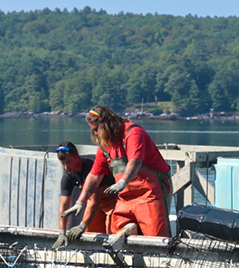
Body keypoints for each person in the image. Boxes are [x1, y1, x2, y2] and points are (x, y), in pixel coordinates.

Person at [57, 106, 171, 247]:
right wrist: (80, 202)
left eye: (96, 128)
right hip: (124, 197)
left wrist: (123, 181)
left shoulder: (133, 133)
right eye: (93, 129)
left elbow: (135, 161)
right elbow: (94, 175)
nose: (95, 133)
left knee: (155, 236)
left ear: (106, 124)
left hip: (149, 193)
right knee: (115, 234)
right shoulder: (106, 146)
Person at [55, 142, 107, 233]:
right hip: (95, 204)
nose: (66, 167)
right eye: (63, 164)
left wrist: (82, 226)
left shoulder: (91, 168)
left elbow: (95, 201)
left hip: (113, 199)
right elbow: (64, 205)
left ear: (76, 156)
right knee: (91, 231)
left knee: (113, 228)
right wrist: (62, 231)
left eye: (68, 162)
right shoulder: (68, 176)